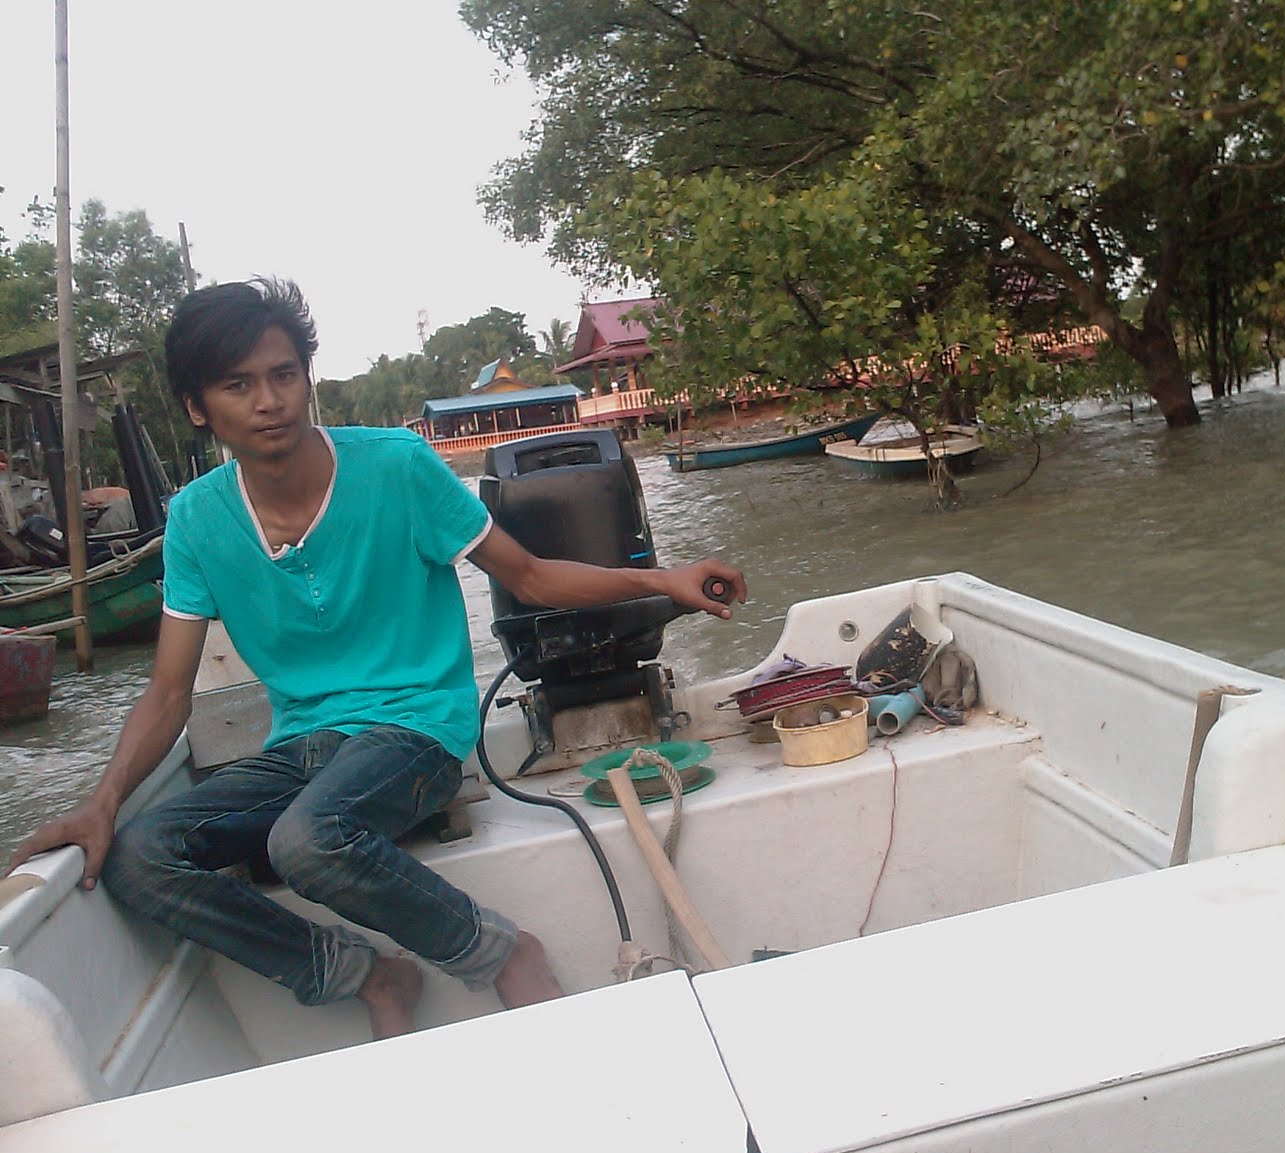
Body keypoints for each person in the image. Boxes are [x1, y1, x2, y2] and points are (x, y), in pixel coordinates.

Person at [6, 278, 746, 1038]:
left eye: (283, 375)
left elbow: (528, 576)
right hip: (301, 748)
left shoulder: (395, 466)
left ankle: (502, 952)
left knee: (306, 841)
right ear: (199, 408)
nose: (270, 401)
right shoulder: (197, 519)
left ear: (306, 379)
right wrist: (100, 804)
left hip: (414, 731)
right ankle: (359, 972)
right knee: (139, 857)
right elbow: (167, 696)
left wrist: (663, 579)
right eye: (239, 385)